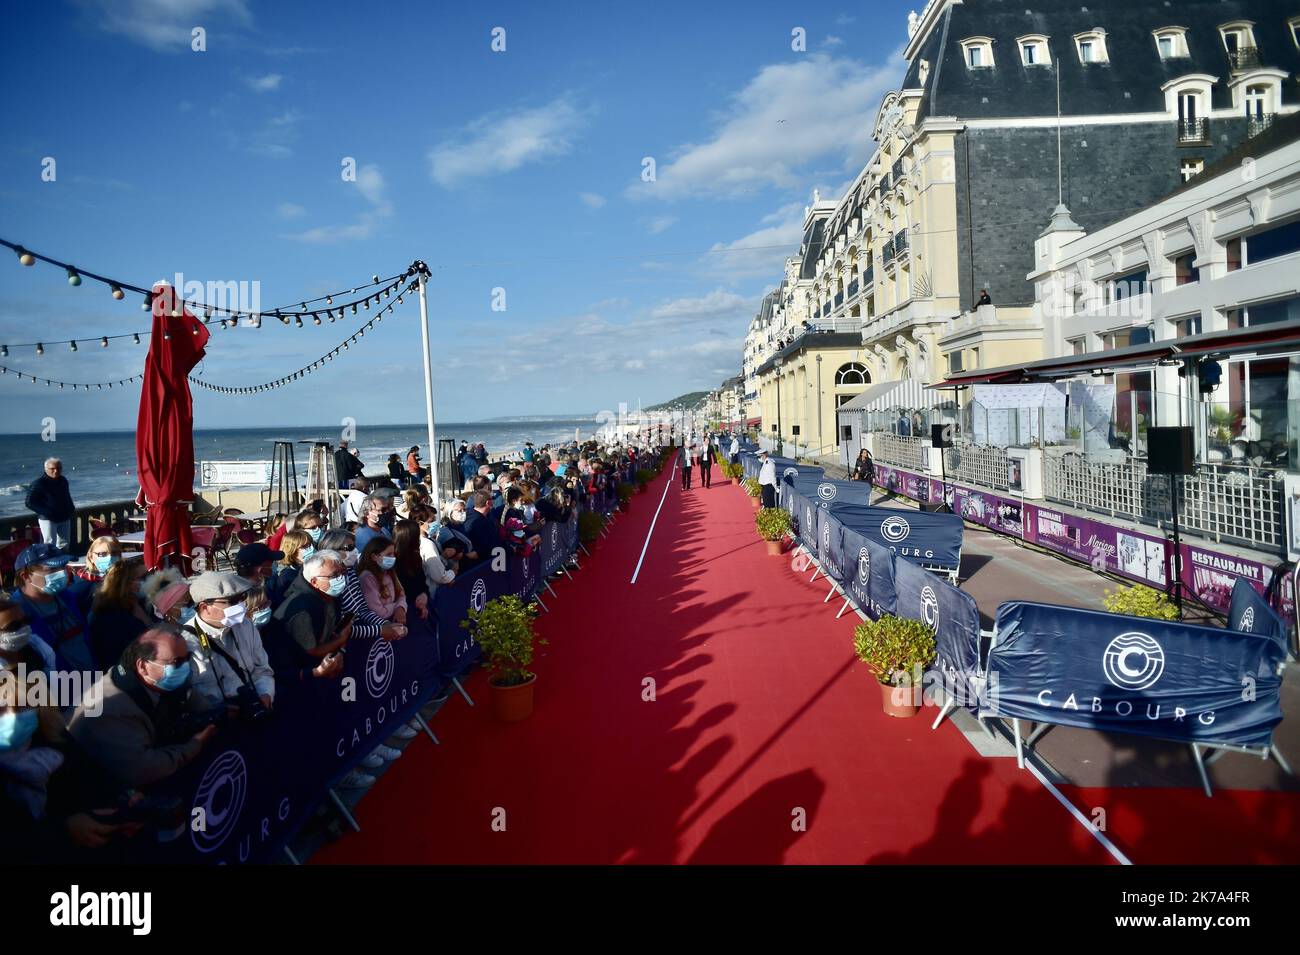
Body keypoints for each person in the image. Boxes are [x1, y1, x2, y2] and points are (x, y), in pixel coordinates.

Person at [67, 628, 219, 789]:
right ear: (143, 666)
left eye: (187, 658)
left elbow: (198, 704)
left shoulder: (159, 680)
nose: (185, 666)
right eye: (176, 662)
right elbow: (142, 770)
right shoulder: (109, 709)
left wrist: (216, 714)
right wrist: (194, 745)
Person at [182, 571, 276, 716]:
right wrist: (217, 712)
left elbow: (263, 669)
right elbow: (186, 696)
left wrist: (266, 694)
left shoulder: (246, 626)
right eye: (232, 601)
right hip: (218, 723)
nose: (240, 605)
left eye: (242, 597)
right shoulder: (185, 642)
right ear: (204, 607)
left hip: (255, 709)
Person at [11, 544, 91, 673]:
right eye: (52, 569)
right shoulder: (15, 615)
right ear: (25, 576)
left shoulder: (68, 598)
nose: (62, 573)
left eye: (63, 566)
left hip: (92, 679)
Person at [86, 558, 152, 671]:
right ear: (125, 583)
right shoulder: (109, 616)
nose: (149, 580)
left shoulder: (140, 603)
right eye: (143, 578)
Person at [26, 458, 75, 551]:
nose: (56, 471)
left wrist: (71, 507)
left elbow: (67, 496)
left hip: (64, 517)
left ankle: (63, 563)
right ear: (46, 469)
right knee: (49, 544)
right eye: (52, 468)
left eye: (59, 468)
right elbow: (29, 502)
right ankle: (50, 564)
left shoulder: (63, 480)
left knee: (65, 543)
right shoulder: (38, 483)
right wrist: (46, 512)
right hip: (48, 519)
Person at [358, 537, 408, 624]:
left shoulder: (389, 572)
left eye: (393, 554)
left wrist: (401, 608)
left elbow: (401, 595)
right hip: (381, 626)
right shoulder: (367, 578)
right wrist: (396, 606)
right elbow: (378, 613)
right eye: (388, 554)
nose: (393, 557)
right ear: (374, 557)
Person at [461, 490, 500, 566]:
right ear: (488, 503)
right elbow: (488, 546)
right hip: (483, 565)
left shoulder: (468, 516)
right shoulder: (480, 522)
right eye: (492, 499)